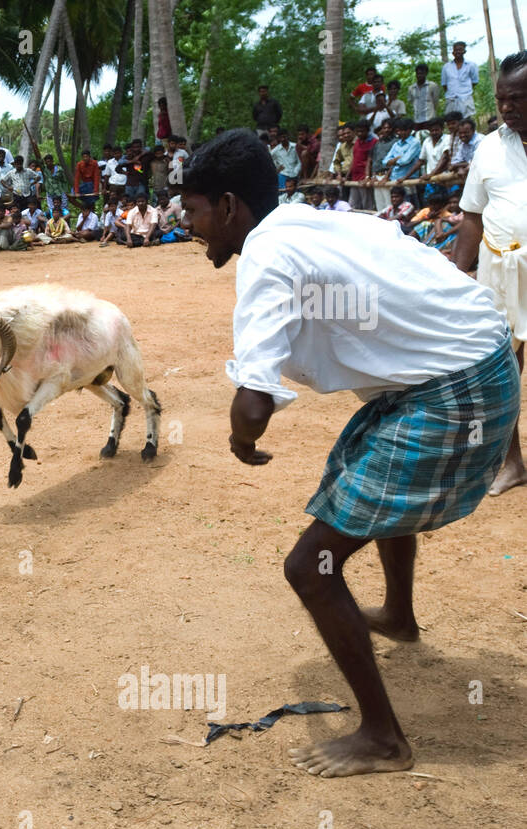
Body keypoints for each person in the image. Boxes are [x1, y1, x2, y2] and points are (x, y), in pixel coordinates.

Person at [180, 128, 519, 778]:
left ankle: (384, 738)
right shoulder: (314, 220)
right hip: (473, 359)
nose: (189, 225)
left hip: (458, 387)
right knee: (363, 463)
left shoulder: (265, 260)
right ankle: (398, 614)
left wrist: (241, 438)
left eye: (194, 211)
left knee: (311, 566)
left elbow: (252, 403)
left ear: (227, 207)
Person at [455, 52, 527, 494]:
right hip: (500, 272)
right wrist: (458, 276)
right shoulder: (489, 148)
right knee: (501, 371)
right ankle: (511, 462)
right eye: (502, 98)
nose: (506, 107)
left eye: (516, 97)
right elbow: (471, 218)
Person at [442, 41, 479, 118]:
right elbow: (444, 84)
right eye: (456, 50)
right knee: (452, 123)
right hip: (451, 100)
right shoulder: (446, 67)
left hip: (466, 99)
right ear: (453, 52)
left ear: (464, 51)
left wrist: (464, 91)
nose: (458, 52)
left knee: (466, 123)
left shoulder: (471, 65)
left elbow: (474, 81)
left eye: (460, 50)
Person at [348, 119, 377, 210]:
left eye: (362, 131)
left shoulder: (374, 142)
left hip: (365, 178)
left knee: (367, 205)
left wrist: (368, 177)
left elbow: (372, 161)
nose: (360, 134)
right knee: (353, 205)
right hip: (354, 177)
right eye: (358, 131)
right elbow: (354, 159)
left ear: (368, 131)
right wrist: (348, 175)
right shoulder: (356, 142)